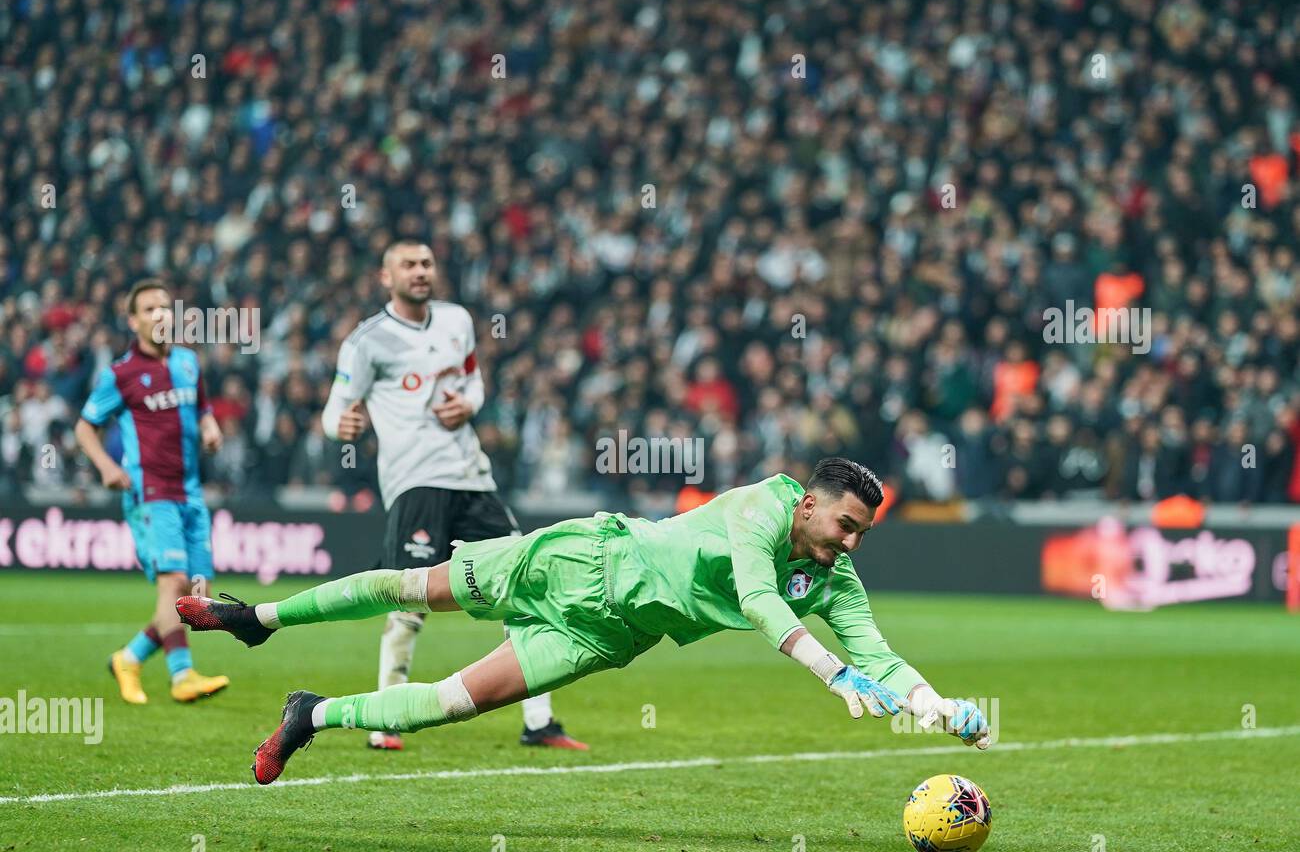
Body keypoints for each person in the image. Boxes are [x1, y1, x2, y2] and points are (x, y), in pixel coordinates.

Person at [177, 458, 991, 785]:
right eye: (844, 525)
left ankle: (309, 713)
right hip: (581, 561)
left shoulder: (834, 578)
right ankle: (259, 616)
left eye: (861, 535)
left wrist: (939, 709)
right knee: (411, 588)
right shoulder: (764, 506)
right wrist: (827, 668)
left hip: (607, 633)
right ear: (811, 504)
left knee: (446, 705)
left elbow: (879, 655)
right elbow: (755, 596)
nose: (849, 543)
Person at [319, 239, 586, 751]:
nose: (420, 272)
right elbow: (335, 410)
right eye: (408, 265)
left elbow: (475, 383)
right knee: (409, 600)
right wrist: (342, 426)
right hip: (416, 481)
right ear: (385, 277)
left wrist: (468, 404)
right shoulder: (366, 342)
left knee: (526, 584)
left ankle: (539, 723)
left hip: (473, 477)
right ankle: (385, 719)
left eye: (426, 264)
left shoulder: (456, 320)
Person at [75, 279, 229, 704]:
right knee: (174, 583)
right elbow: (84, 427)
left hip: (191, 494)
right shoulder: (121, 374)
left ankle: (129, 657)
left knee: (197, 597)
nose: (160, 315)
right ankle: (182, 676)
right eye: (149, 309)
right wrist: (106, 467)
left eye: (165, 307)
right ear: (133, 320)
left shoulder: (188, 363)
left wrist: (210, 427)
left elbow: (202, 408)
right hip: (151, 492)